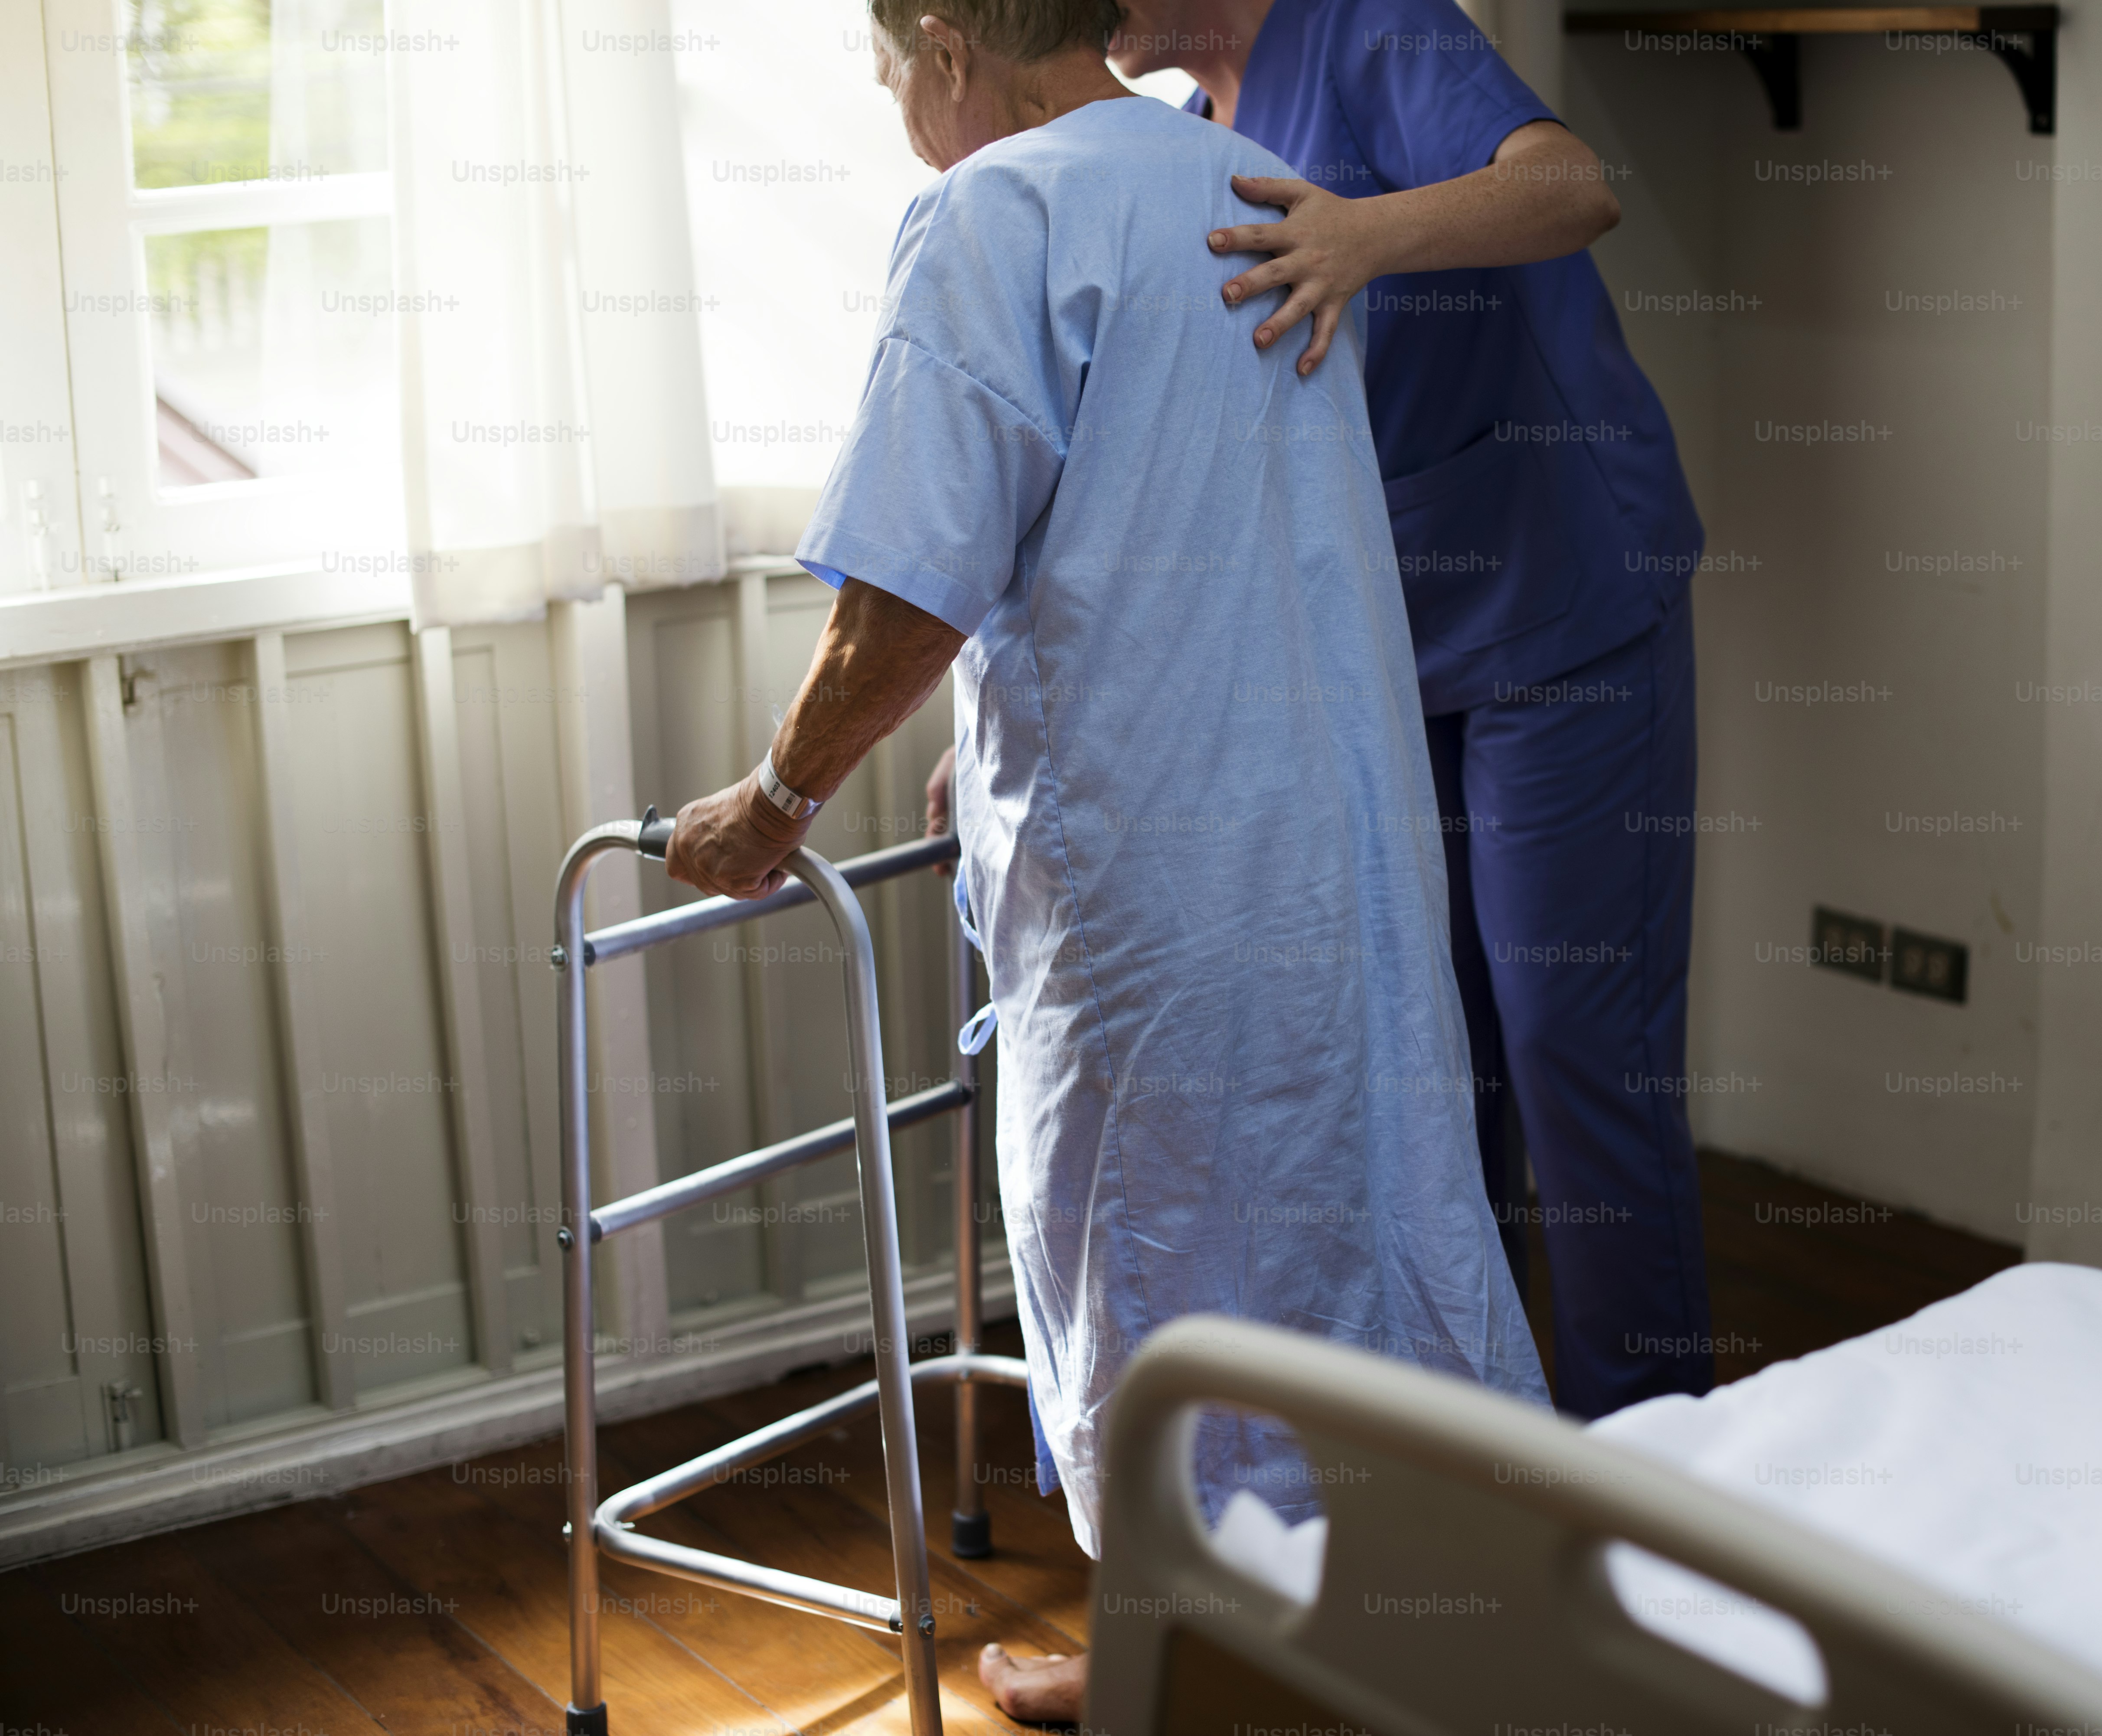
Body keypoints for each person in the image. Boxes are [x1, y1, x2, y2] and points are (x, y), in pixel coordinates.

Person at [659, 0, 1548, 1720]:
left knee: (1158, 1248)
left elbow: (911, 580)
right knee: (1355, 1205)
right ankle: (1391, 1607)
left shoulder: (993, 210)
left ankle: (1180, 1652)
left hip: (1158, 865)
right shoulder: (1249, 175)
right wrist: (977, 755)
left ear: (942, 43)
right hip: (1327, 826)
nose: (899, 114)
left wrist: (775, 799)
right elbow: (1170, 523)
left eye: (886, 73)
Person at [1110, 0, 1717, 1419]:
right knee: (1437, 1094)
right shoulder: (1193, 137)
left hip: (1564, 607)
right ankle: (1491, 1486)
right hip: (1397, 653)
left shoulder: (1368, 25)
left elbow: (1571, 186)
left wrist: (1361, 235)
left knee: (1583, 1068)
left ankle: (1665, 1500)